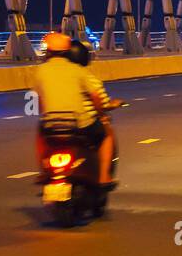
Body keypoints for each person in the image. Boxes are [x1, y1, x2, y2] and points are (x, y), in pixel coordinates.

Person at [32, 32, 123, 188]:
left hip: (52, 126)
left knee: (40, 134)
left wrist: (48, 115)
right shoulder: (78, 71)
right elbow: (96, 97)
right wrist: (101, 112)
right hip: (78, 125)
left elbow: (35, 104)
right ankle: (103, 177)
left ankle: (44, 170)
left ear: (47, 52)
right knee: (106, 135)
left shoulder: (40, 71)